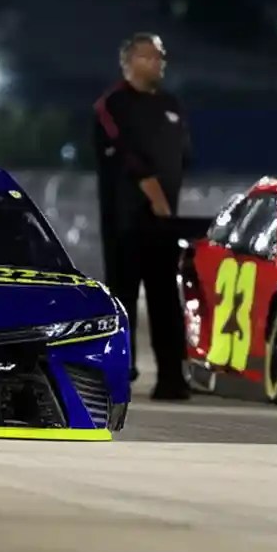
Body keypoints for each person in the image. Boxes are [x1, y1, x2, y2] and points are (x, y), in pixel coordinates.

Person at [91, 32, 191, 400]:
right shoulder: (112, 104)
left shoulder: (172, 105)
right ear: (129, 61)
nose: (158, 63)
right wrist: (155, 197)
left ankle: (171, 377)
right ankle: (119, 372)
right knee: (124, 297)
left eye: (161, 57)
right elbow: (127, 156)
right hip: (126, 221)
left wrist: (169, 206)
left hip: (163, 222)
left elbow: (181, 155)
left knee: (166, 299)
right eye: (150, 56)